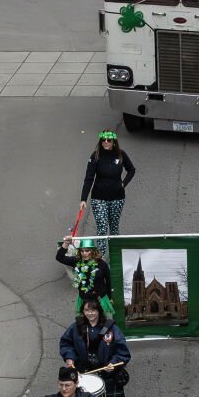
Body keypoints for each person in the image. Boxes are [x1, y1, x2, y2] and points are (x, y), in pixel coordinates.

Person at [59, 296, 130, 397]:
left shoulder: (111, 329)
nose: (90, 313)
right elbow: (66, 343)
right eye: (87, 310)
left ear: (99, 310)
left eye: (93, 310)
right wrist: (69, 358)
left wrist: (114, 363)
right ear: (83, 311)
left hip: (106, 376)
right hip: (83, 375)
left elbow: (123, 351)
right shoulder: (76, 327)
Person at [78, 130, 135, 258]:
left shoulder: (121, 154)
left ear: (114, 141)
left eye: (109, 140)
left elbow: (131, 170)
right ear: (100, 141)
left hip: (117, 198)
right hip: (99, 198)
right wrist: (83, 199)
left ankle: (115, 257)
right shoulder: (95, 156)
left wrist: (123, 184)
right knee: (102, 228)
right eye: (103, 140)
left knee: (114, 228)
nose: (106, 142)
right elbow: (89, 178)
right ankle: (102, 258)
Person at [54, 238, 112, 319]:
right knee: (84, 324)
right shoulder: (77, 261)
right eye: (82, 251)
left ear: (93, 251)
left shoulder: (101, 264)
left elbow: (109, 281)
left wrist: (110, 298)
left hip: (100, 299)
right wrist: (66, 243)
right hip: (84, 299)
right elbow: (59, 257)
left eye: (87, 251)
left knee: (106, 322)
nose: (84, 253)